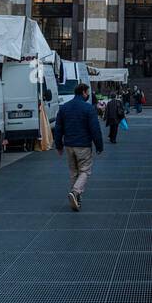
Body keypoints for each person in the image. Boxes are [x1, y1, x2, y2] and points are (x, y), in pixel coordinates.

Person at [53, 82, 104, 211]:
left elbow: (58, 128)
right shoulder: (88, 108)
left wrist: (58, 145)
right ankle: (75, 192)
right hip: (83, 145)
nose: (88, 95)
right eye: (87, 92)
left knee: (74, 172)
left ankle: (76, 198)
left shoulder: (64, 108)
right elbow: (95, 129)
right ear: (83, 92)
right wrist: (99, 146)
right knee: (85, 171)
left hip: (69, 145)